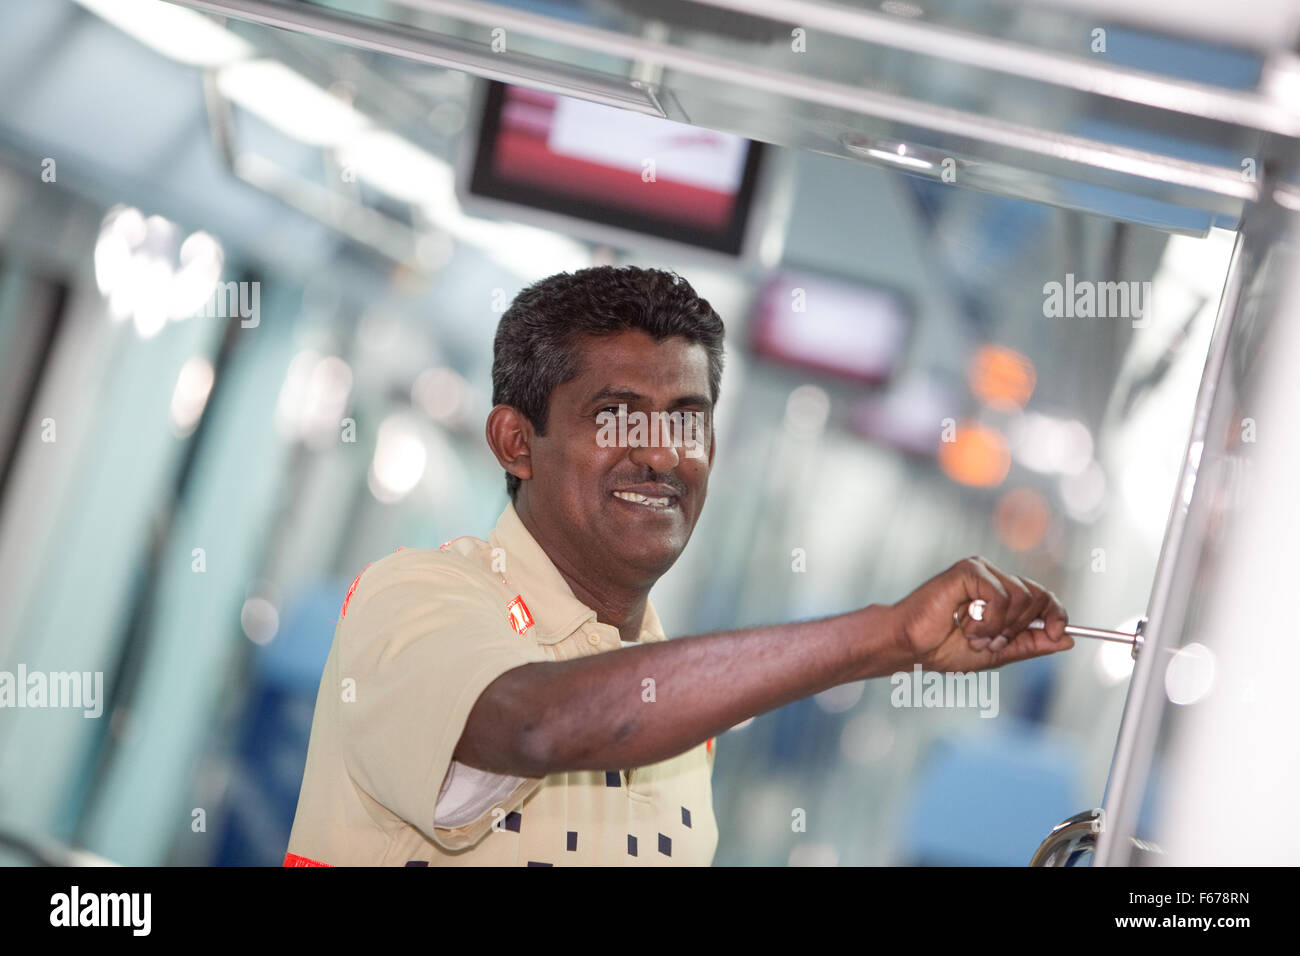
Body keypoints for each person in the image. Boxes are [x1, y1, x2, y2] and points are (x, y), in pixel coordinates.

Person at [284, 265, 1073, 866]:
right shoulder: (411, 598)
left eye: (687, 422)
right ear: (516, 442)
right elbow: (536, 724)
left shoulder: (683, 719)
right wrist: (888, 638)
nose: (662, 455)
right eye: (615, 417)